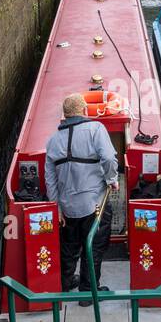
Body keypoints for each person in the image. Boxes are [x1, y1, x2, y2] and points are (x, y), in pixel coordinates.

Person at [44, 94, 119, 302]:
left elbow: (49, 178)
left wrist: (56, 207)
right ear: (85, 111)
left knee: (69, 247)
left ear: (64, 116)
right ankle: (88, 292)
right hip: (94, 204)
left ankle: (65, 283)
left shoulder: (52, 141)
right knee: (94, 246)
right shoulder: (96, 129)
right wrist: (112, 179)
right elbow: (109, 158)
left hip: (67, 207)